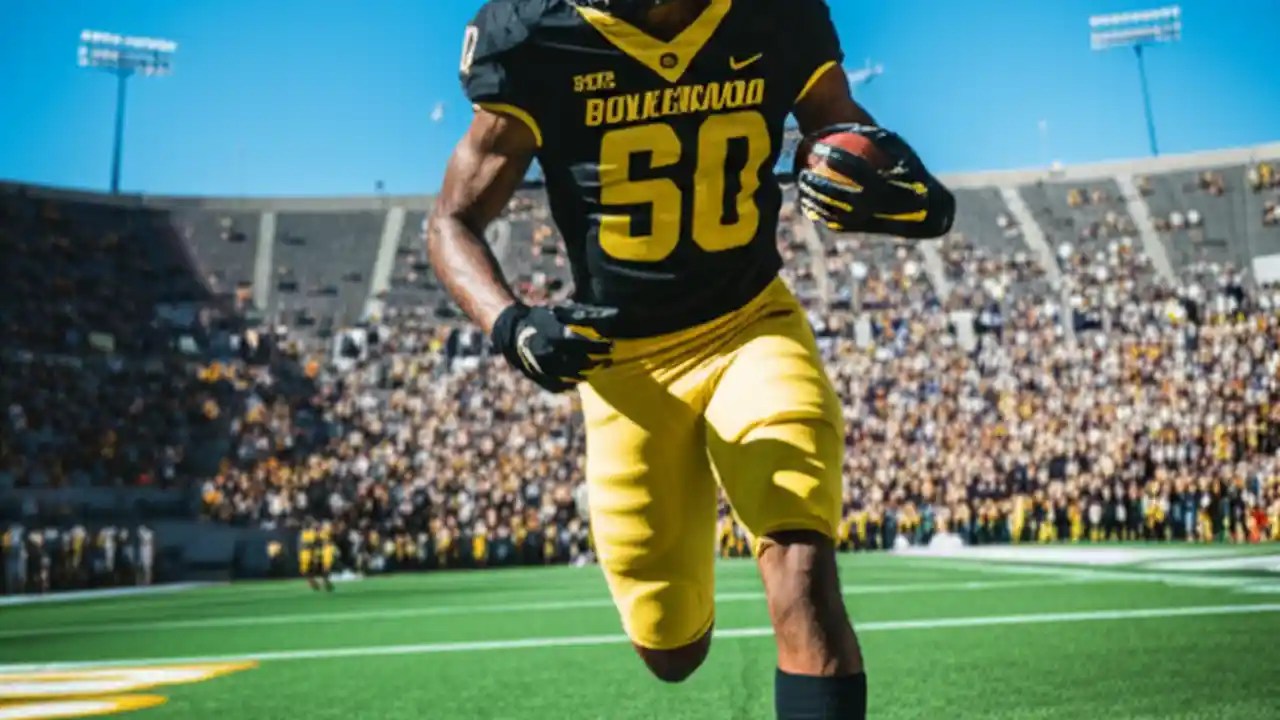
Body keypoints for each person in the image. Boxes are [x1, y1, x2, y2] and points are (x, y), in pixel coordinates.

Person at [429, 1, 953, 717]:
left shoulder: (774, 13)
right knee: (671, 652)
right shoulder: (536, 31)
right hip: (624, 367)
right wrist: (511, 324)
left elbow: (839, 126)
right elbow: (451, 220)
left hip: (750, 325)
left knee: (801, 571)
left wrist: (900, 187)